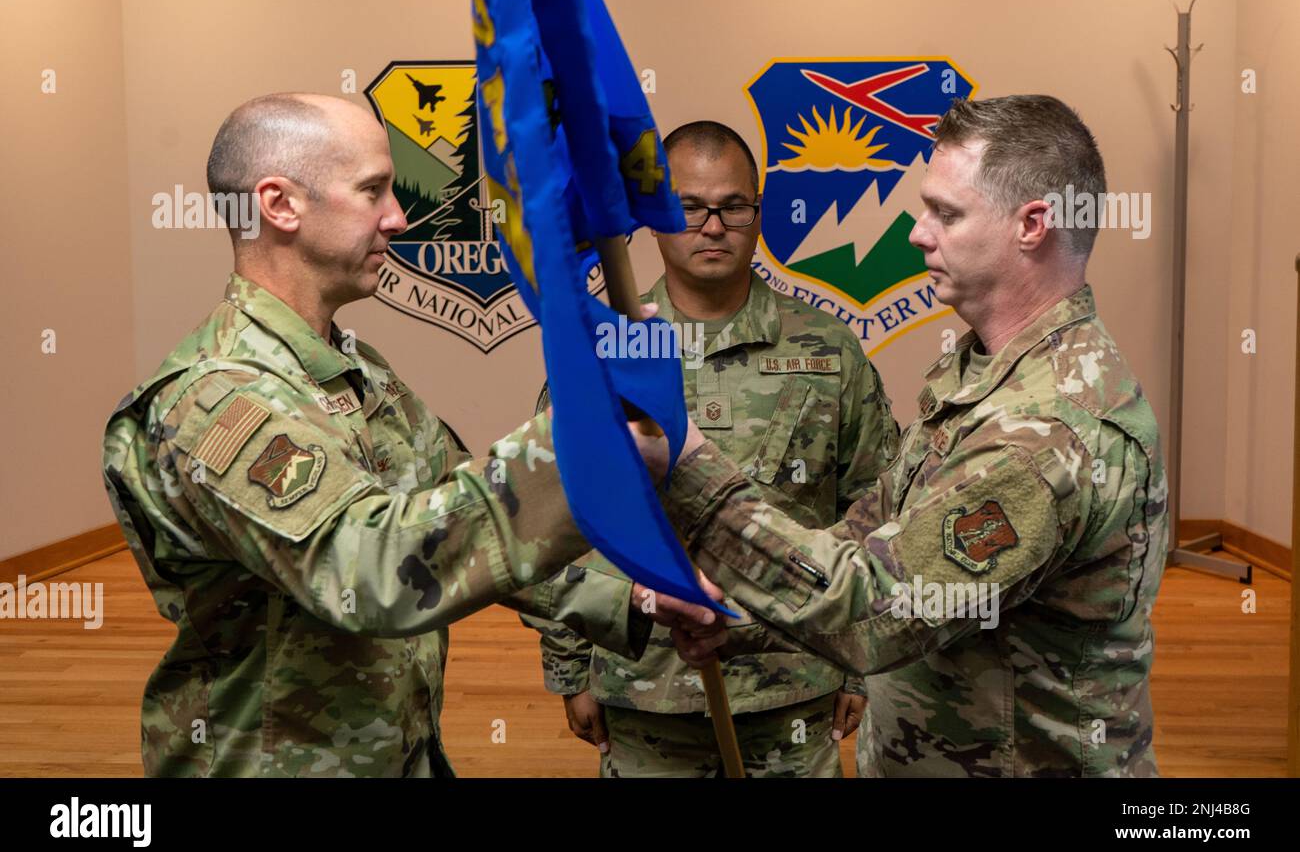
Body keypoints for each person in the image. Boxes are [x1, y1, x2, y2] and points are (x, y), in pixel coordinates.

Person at [101, 93, 675, 777]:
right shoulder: (213, 399)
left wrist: (633, 600)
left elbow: (457, 524)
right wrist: (581, 435)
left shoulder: (356, 372)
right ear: (280, 205)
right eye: (373, 190)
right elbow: (372, 571)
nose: (399, 217)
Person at [640, 95, 1169, 777]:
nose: (918, 234)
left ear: (1032, 225)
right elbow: (863, 537)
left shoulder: (1045, 435)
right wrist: (729, 612)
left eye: (945, 213)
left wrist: (687, 465)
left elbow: (871, 613)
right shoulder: (979, 372)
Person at [523, 122, 899, 777]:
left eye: (733, 206)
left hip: (791, 688)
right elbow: (558, 524)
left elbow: (874, 510)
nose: (713, 225)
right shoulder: (606, 353)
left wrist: (859, 668)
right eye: (688, 207)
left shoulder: (827, 349)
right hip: (645, 687)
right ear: (656, 215)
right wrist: (568, 667)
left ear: (759, 214)